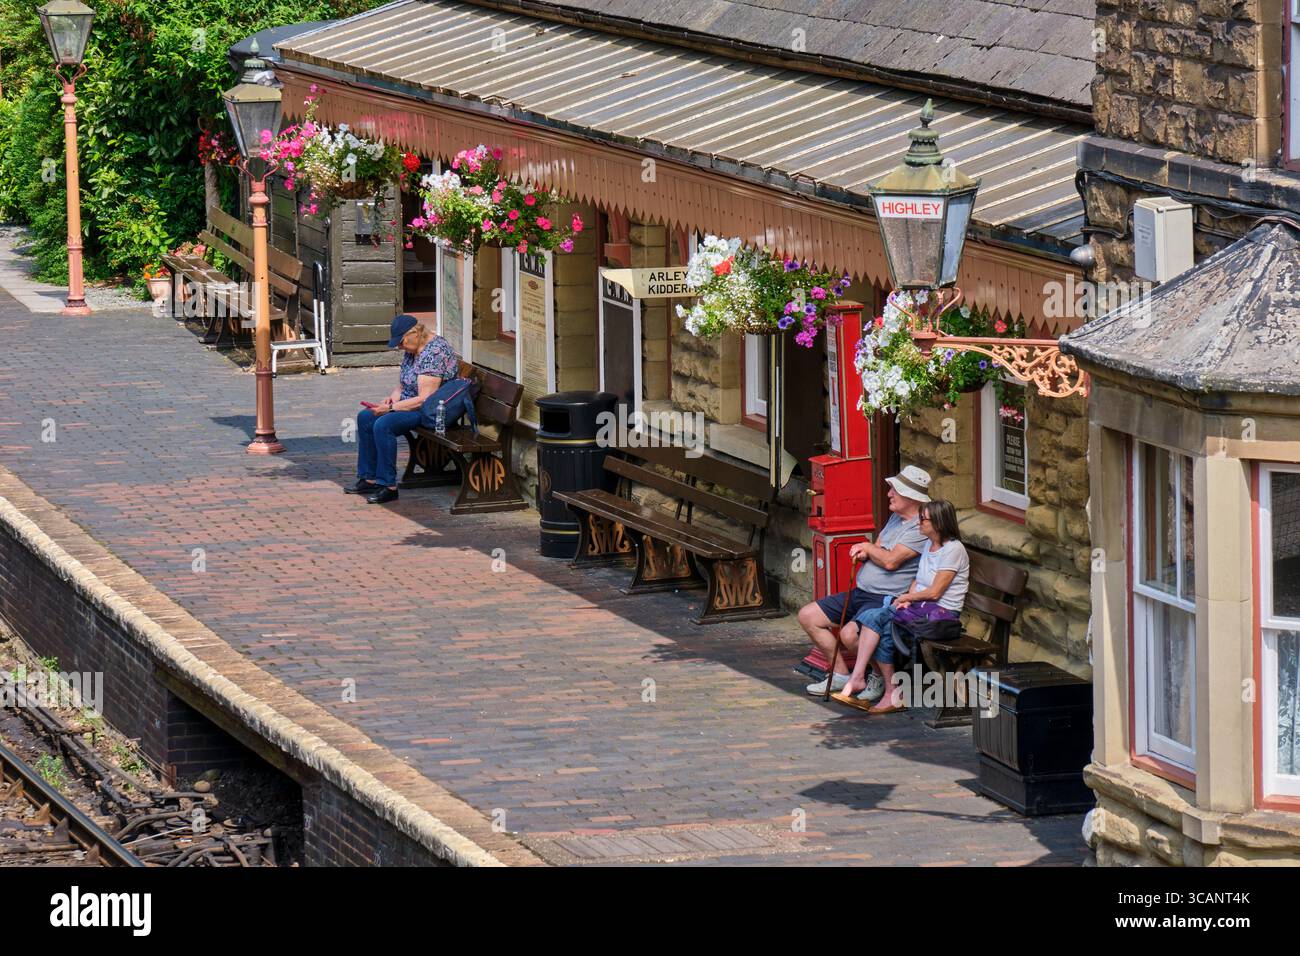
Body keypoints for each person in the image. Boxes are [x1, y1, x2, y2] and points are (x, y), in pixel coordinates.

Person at [797, 465, 932, 698]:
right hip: (861, 591)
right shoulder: (895, 518)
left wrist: (868, 548)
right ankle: (840, 674)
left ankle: (877, 676)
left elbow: (890, 561)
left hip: (884, 597)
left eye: (894, 491)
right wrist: (866, 552)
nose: (889, 494)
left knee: (849, 635)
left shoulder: (919, 528)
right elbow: (879, 548)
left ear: (911, 498)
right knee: (808, 616)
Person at [831, 498, 969, 714]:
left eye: (923, 520)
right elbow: (918, 580)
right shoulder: (927, 544)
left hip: (942, 614)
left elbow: (935, 592)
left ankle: (875, 686)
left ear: (939, 523)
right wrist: (908, 596)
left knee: (879, 621)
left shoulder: (954, 550)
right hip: (921, 607)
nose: (919, 523)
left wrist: (907, 599)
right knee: (874, 619)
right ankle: (882, 688)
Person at [348, 314, 460, 504]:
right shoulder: (412, 349)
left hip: (430, 411)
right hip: (409, 404)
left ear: (414, 333)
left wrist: (391, 409)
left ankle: (388, 486)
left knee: (384, 424)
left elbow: (425, 399)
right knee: (365, 417)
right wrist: (390, 399)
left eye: (401, 343)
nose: (400, 347)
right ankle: (369, 478)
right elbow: (403, 385)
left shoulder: (435, 352)